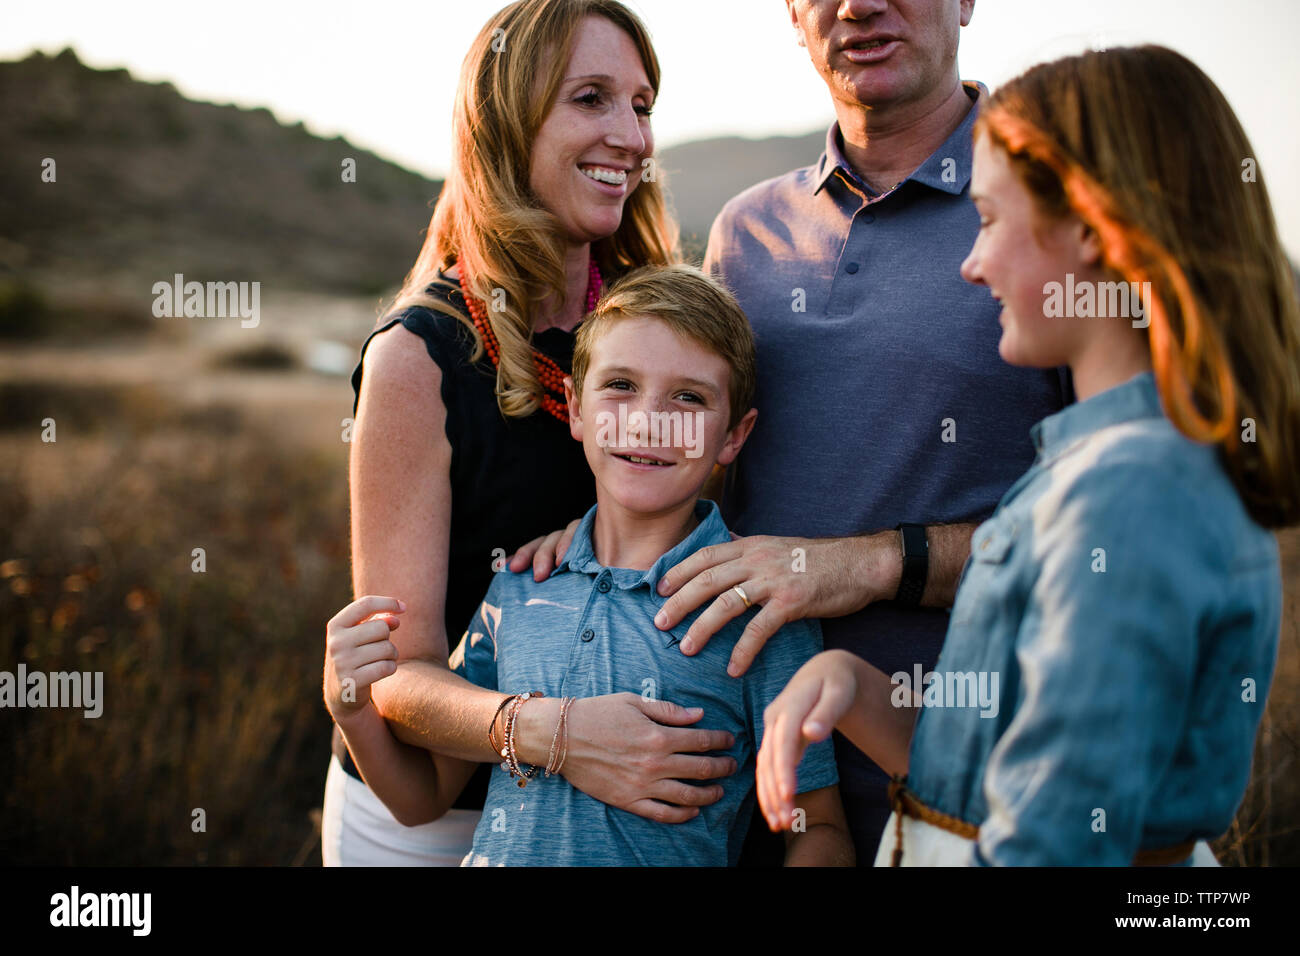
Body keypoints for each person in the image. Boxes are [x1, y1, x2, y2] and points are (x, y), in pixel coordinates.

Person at [512, 0, 1072, 862]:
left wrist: (868, 563)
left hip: (984, 799)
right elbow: (692, 450)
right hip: (740, 803)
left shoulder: (1059, 211)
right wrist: (592, 543)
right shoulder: (747, 233)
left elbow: (1122, 532)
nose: (859, 5)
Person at [755, 44, 1300, 865]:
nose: (972, 265)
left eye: (990, 220)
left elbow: (1050, 848)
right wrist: (861, 692)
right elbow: (1009, 790)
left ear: (1088, 227)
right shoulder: (1100, 470)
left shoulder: (1127, 497)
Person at [321, 0, 742, 866]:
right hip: (441, 819)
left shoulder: (648, 325)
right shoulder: (420, 354)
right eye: (591, 98)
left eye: (641, 104)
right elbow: (400, 669)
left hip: (625, 816)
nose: (630, 135)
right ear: (507, 122)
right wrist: (557, 735)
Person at [327, 265, 854, 865]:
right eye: (621, 385)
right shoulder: (519, 588)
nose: (648, 421)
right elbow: (420, 800)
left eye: (689, 397)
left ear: (734, 435)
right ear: (576, 410)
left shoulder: (756, 608)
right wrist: (350, 707)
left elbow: (817, 828)